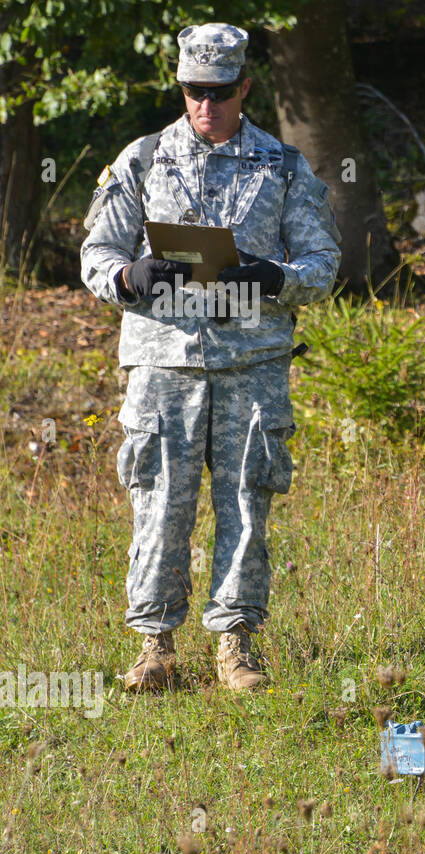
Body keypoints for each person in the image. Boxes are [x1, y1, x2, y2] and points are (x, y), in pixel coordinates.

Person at [80, 23, 342, 692]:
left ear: (244, 87)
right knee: (159, 506)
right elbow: (95, 254)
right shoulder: (141, 159)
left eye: (220, 92)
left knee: (247, 505)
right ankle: (154, 647)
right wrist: (127, 278)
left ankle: (236, 647)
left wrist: (272, 278)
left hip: (251, 365)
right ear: (181, 87)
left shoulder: (283, 167)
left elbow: (323, 263)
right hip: (162, 365)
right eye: (195, 91)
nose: (207, 106)